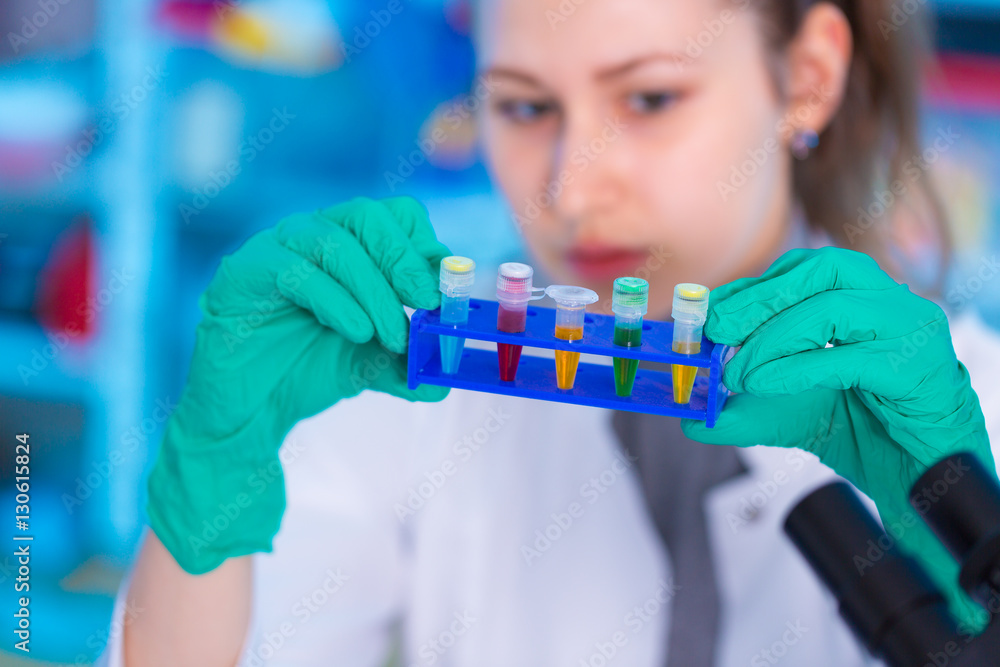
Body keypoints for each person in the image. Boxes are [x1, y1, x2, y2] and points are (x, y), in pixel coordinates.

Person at [104, 0, 1000, 665]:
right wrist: (215, 482)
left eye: (649, 98)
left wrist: (964, 559)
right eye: (526, 107)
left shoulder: (964, 417)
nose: (571, 191)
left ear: (805, 78)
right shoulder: (411, 386)